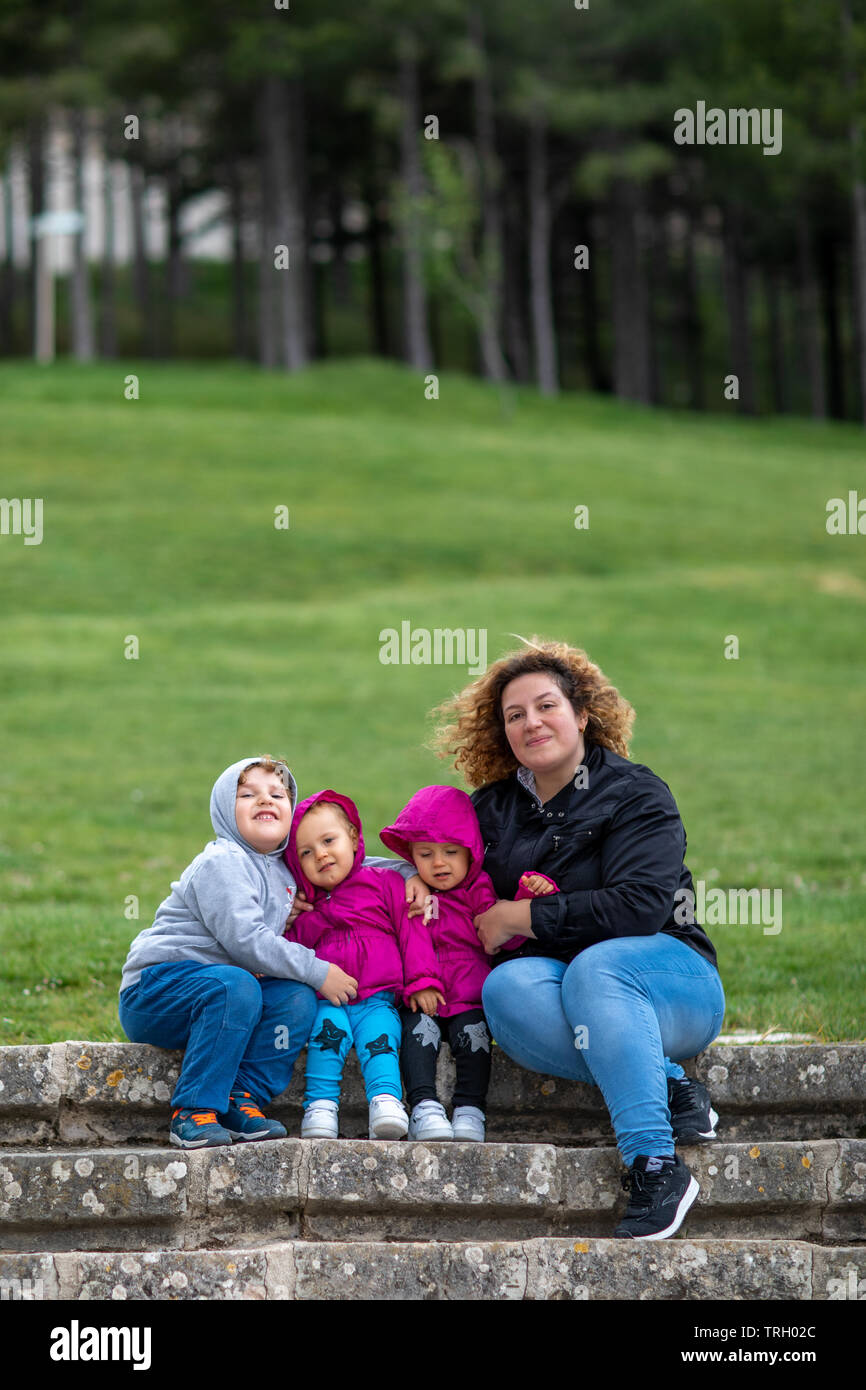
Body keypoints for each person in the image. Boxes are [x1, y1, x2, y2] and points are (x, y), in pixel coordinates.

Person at [431, 639, 725, 1240]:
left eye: (546, 706)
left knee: (598, 968)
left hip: (669, 980)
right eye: (515, 715)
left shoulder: (637, 794)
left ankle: (655, 1165)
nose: (531, 722)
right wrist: (379, 882)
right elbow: (433, 856)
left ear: (583, 714)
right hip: (562, 993)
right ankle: (667, 1080)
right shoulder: (491, 810)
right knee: (506, 986)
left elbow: (640, 907)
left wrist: (521, 918)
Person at [118, 756, 417, 1149]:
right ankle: (193, 1110)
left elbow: (356, 867)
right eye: (248, 794)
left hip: (227, 995)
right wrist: (318, 969)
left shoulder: (290, 867)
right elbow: (247, 941)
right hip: (158, 991)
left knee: (295, 999)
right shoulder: (222, 861)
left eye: (277, 793)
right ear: (226, 809)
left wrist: (411, 876)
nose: (265, 800)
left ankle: (242, 1097)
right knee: (239, 986)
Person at [284, 790, 444, 1140]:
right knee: (327, 1039)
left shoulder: (386, 884)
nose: (321, 855)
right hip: (328, 1001)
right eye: (307, 852)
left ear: (354, 838)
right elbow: (292, 953)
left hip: (378, 999)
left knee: (382, 1041)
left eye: (329, 841)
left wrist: (422, 980)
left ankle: (386, 1100)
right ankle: (320, 1107)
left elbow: (412, 931)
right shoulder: (308, 909)